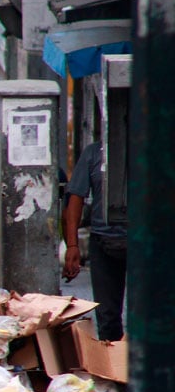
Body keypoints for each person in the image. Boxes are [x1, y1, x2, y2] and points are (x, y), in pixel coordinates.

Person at [63, 141, 127, 341]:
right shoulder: (94, 153)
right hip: (103, 241)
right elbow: (76, 198)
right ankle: (112, 365)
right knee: (107, 317)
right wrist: (72, 245)